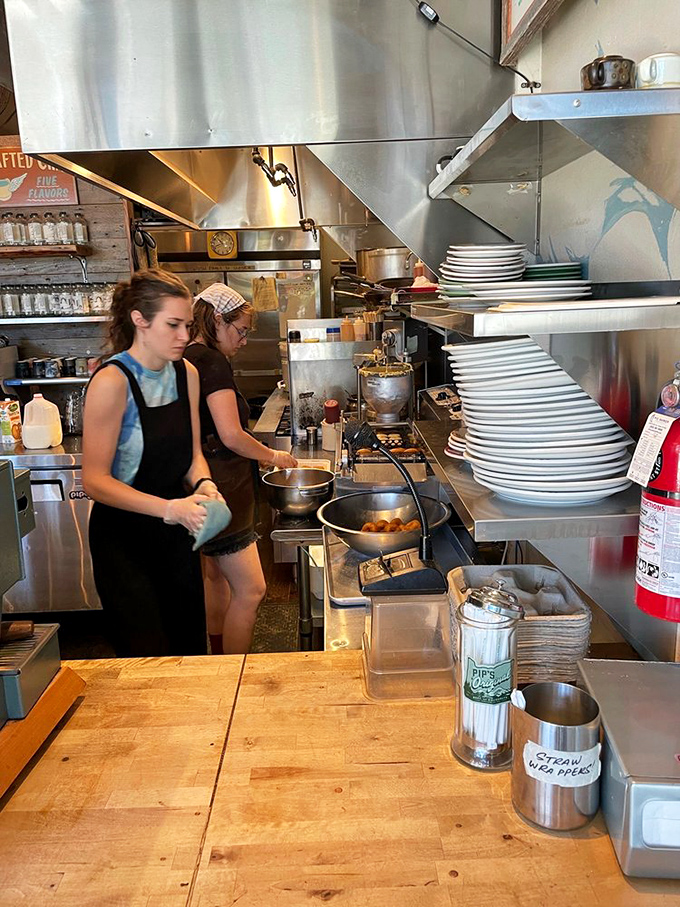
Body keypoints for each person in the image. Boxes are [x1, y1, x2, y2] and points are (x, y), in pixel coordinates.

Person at [83, 269, 223, 657]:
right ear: (139, 320)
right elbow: (94, 481)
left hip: (176, 533)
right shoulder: (113, 381)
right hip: (124, 539)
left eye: (189, 325)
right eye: (173, 325)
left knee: (188, 645)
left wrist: (204, 486)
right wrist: (169, 508)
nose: (185, 337)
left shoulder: (186, 374)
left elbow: (193, 454)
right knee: (146, 656)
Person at [184, 283, 297, 655]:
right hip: (224, 486)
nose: (244, 340)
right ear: (217, 318)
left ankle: (216, 659)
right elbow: (231, 435)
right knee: (252, 590)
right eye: (241, 330)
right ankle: (234, 674)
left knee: (213, 577)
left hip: (194, 485)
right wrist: (273, 455)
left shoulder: (185, 356)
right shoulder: (213, 362)